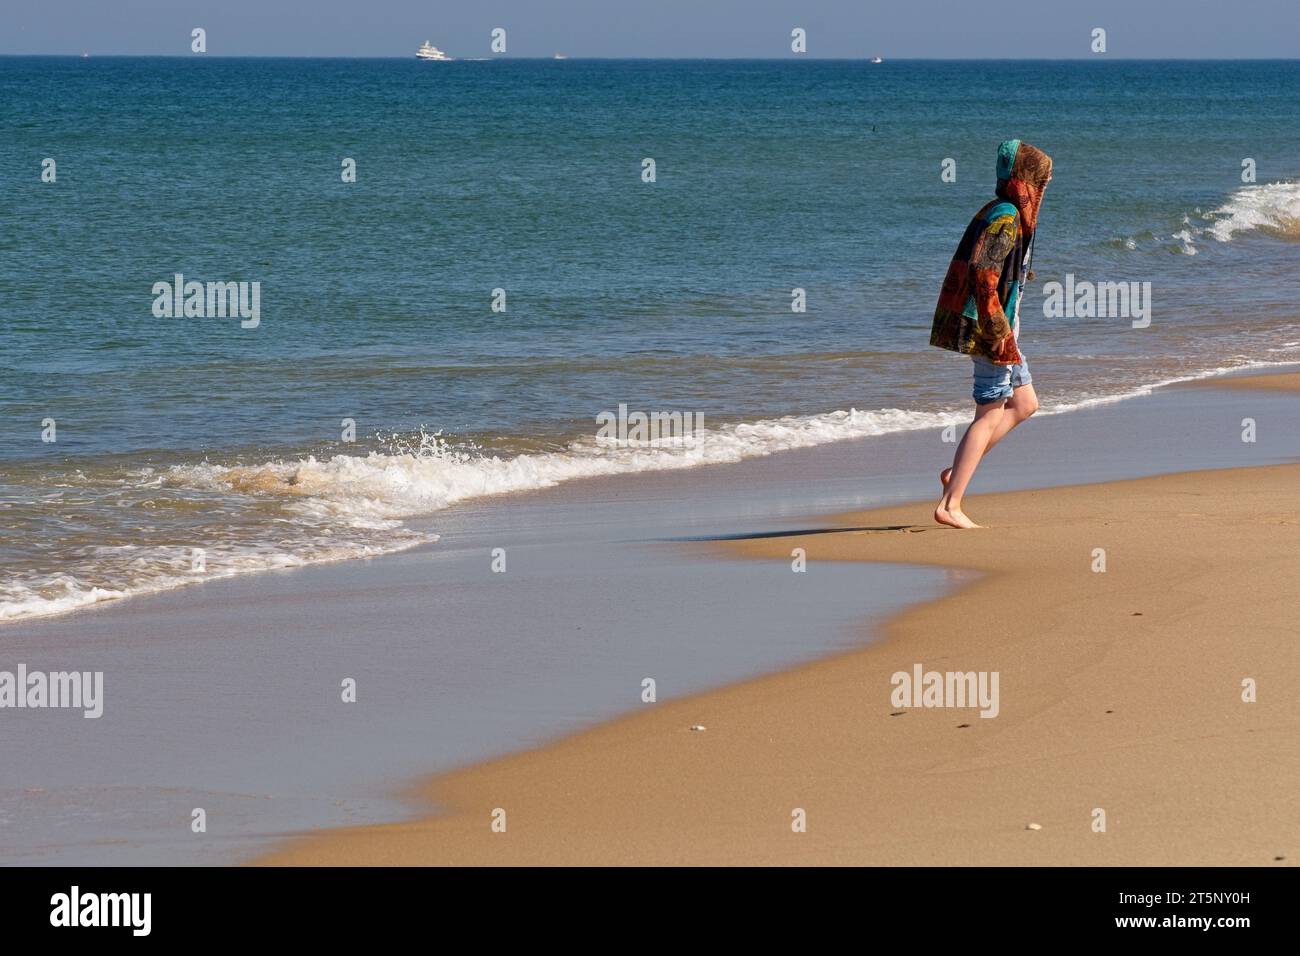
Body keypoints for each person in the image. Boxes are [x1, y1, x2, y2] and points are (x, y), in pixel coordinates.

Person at [929, 139, 1053, 529]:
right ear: (1024, 180)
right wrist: (998, 332)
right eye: (1041, 180)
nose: (1043, 189)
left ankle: (956, 471)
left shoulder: (1003, 210)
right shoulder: (1006, 217)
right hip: (992, 329)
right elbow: (985, 276)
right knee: (988, 414)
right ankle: (950, 504)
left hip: (1004, 327)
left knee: (1025, 403)